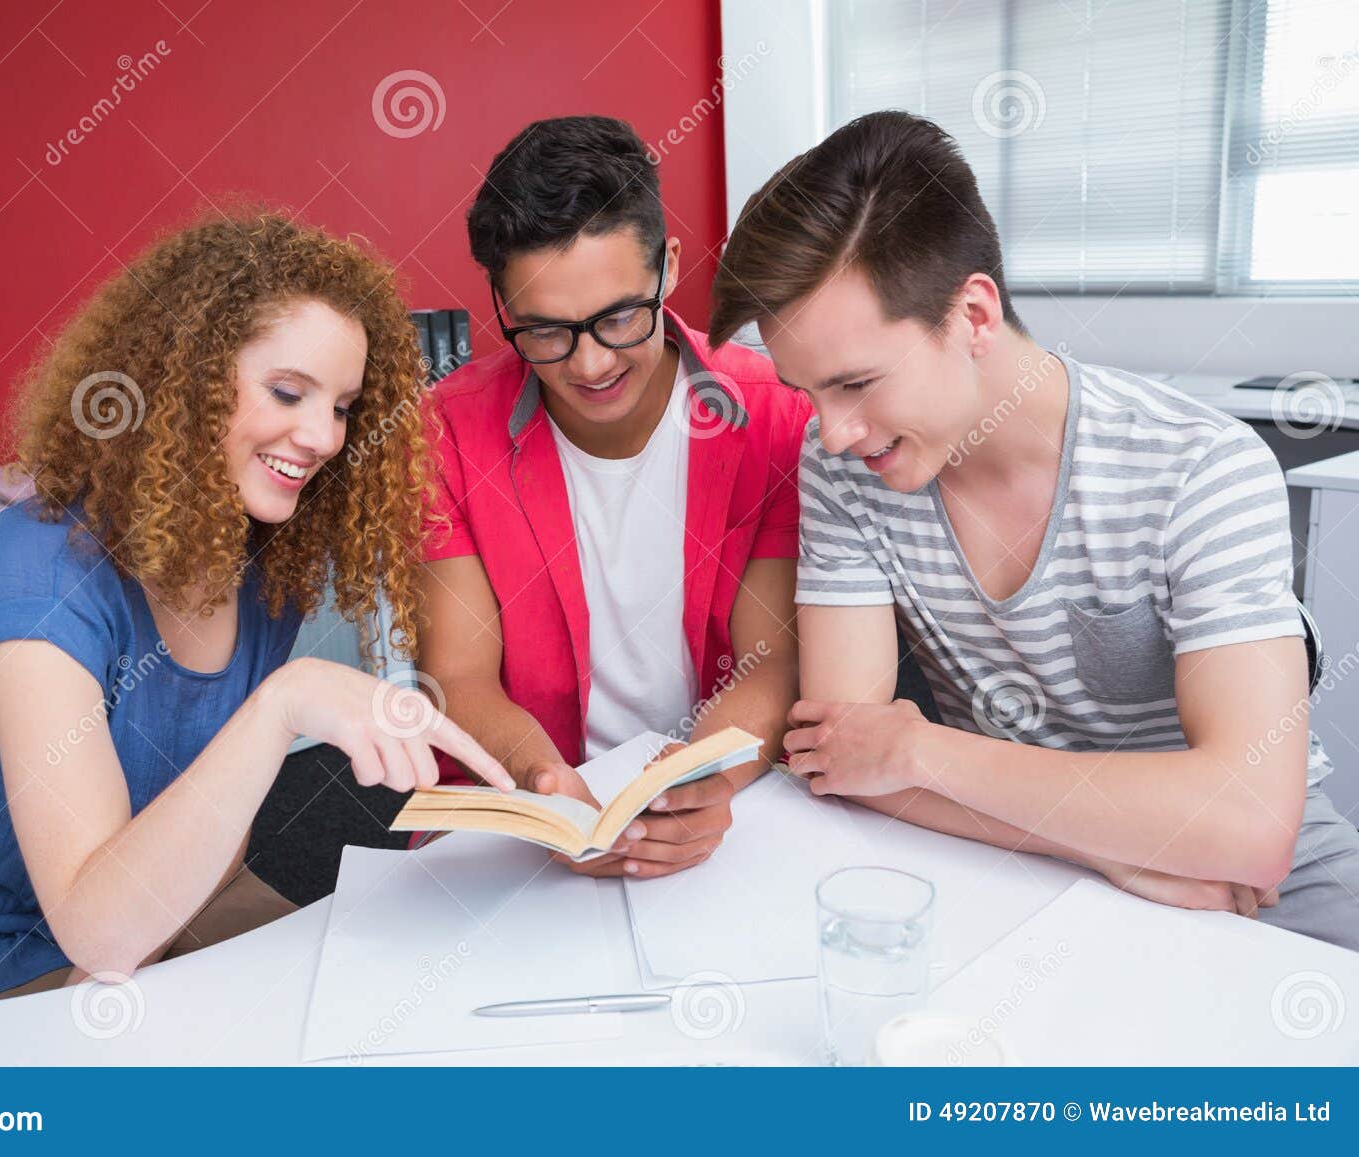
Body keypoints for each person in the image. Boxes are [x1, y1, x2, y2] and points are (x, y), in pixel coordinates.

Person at [709, 110, 1359, 951]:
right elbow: (847, 762)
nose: (831, 431)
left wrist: (918, 754)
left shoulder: (1202, 467)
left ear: (974, 315)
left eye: (857, 383)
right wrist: (1099, 846)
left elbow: (1250, 823)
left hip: (1258, 888)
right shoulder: (845, 465)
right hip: (1026, 857)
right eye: (808, 394)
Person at [0, 210, 512, 1012]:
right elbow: (100, 935)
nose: (324, 436)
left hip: (166, 906)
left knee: (385, 1017)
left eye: (343, 406)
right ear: (185, 381)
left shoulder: (266, 559)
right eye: (287, 391)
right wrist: (282, 704)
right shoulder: (37, 580)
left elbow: (209, 861)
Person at [416, 116, 810, 880]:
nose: (590, 363)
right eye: (545, 331)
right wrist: (548, 790)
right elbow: (458, 676)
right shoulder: (447, 433)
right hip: (523, 818)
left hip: (730, 807)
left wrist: (700, 784)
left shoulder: (772, 416)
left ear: (667, 266)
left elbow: (773, 660)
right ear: (501, 302)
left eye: (619, 317)